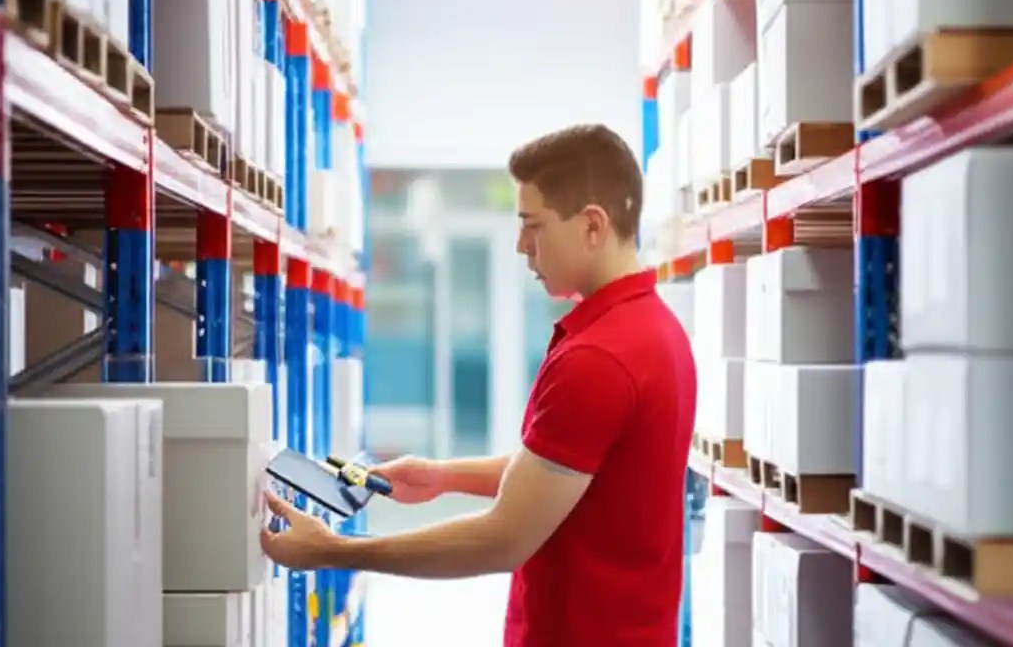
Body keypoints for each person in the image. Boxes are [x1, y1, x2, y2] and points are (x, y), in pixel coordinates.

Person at [262, 123, 698, 646]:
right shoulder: (654, 329)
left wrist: (335, 550)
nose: (521, 246)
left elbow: (502, 539)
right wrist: (442, 476)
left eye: (533, 226)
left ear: (591, 226)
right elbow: (569, 470)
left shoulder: (600, 359)